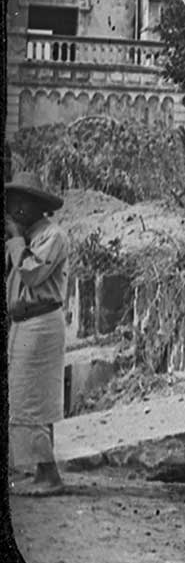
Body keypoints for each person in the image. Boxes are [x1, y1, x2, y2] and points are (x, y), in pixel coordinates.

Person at [6, 171, 70, 496]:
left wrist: (16, 239)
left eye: (22, 203)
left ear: (37, 206)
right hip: (23, 323)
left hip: (41, 322)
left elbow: (32, 274)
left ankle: (49, 473)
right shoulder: (27, 237)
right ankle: (39, 468)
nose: (15, 209)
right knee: (24, 397)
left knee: (35, 399)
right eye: (13, 203)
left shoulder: (52, 236)